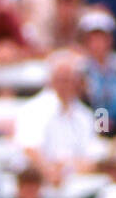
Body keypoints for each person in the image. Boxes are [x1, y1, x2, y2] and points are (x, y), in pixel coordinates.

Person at [11, 50, 107, 183]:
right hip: (39, 183)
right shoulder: (33, 109)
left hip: (76, 182)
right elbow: (29, 148)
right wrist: (50, 171)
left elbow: (93, 156)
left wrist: (67, 169)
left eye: (71, 79)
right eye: (62, 79)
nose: (67, 85)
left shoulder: (85, 115)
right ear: (51, 80)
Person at [78, 8, 116, 138]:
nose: (97, 44)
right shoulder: (80, 72)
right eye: (93, 39)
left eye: (102, 38)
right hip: (89, 133)